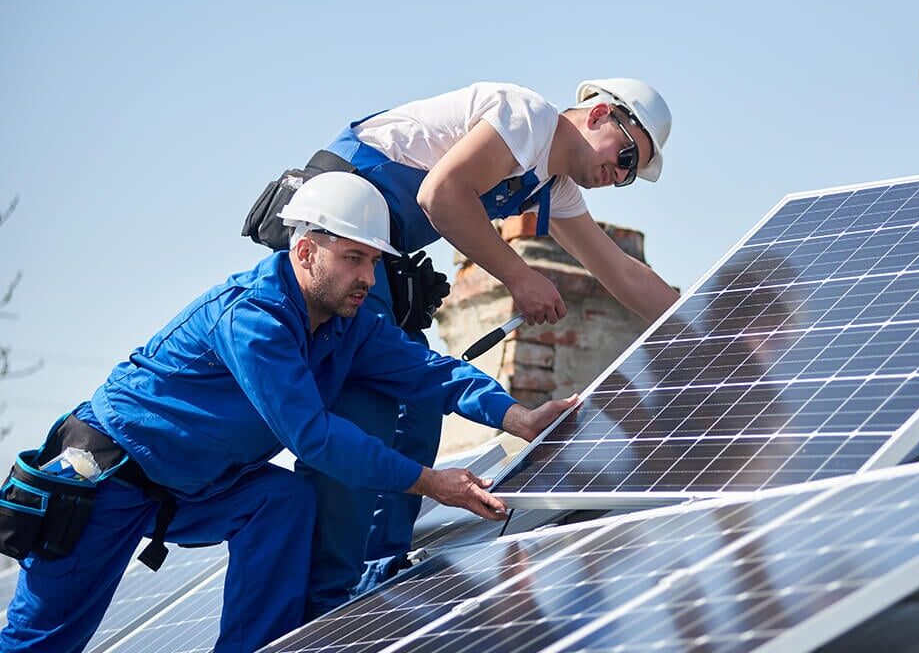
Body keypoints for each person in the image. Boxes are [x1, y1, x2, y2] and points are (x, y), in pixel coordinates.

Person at [0, 173, 574, 652]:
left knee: (281, 502)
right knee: (43, 640)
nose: (368, 279)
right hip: (106, 478)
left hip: (195, 488)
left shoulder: (350, 324)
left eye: (374, 261)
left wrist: (514, 416)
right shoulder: (253, 320)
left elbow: (431, 372)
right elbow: (314, 437)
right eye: (353, 259)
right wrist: (429, 482)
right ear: (305, 251)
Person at [255, 79, 682, 616]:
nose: (618, 176)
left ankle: (377, 572)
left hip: (378, 252)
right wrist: (520, 278)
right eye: (625, 157)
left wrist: (709, 326)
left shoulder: (553, 185)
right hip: (340, 236)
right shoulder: (526, 117)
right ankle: (327, 598)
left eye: (628, 177)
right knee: (368, 408)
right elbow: (442, 195)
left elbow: (619, 272)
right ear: (598, 115)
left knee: (418, 411)